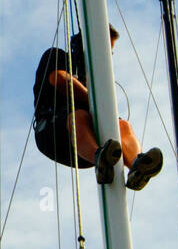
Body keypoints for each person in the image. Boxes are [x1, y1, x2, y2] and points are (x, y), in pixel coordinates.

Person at [33, 25, 163, 189]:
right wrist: (96, 100)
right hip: (52, 134)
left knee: (122, 125)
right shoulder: (57, 56)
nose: (107, 56)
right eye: (104, 49)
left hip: (85, 144)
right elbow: (59, 79)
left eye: (110, 52)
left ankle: (137, 168)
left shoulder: (95, 78)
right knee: (79, 116)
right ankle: (99, 158)